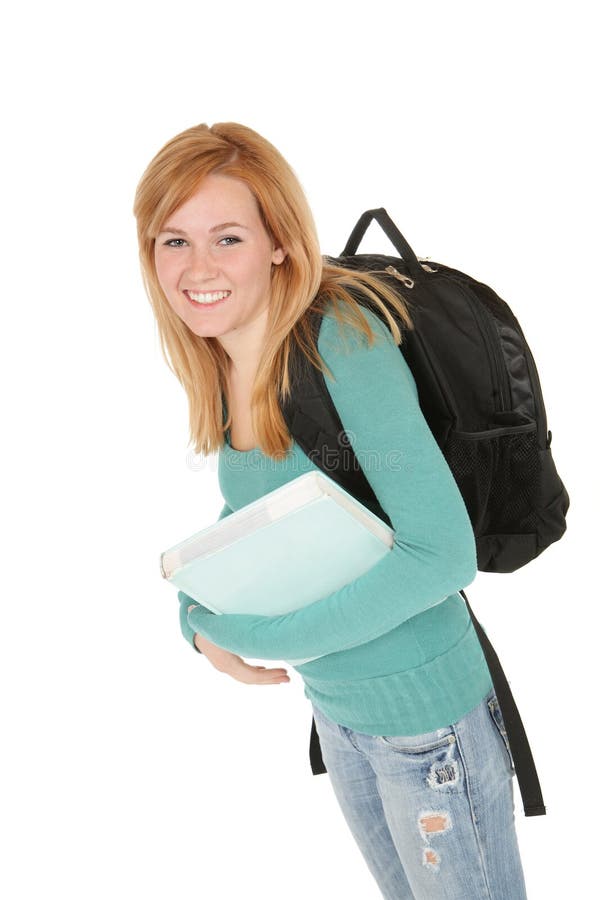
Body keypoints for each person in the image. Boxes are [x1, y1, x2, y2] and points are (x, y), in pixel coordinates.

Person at [133, 122, 529, 899]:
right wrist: (193, 613)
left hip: (428, 728)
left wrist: (248, 633)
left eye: (227, 237)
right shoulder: (231, 353)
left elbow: (439, 555)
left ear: (280, 242)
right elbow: (258, 517)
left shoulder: (340, 343)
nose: (197, 268)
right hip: (343, 717)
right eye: (173, 241)